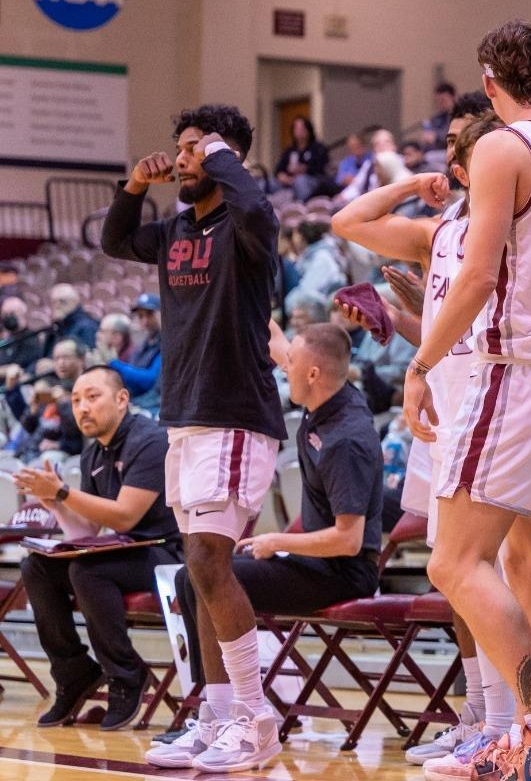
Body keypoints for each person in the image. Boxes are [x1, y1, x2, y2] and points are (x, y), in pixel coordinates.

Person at [403, 19, 531, 781]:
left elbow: (480, 278)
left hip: (513, 367)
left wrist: (421, 359)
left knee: (453, 561)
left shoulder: (498, 148)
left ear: (488, 83)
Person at [330, 99, 522, 772]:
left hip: (492, 400)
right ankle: (482, 713)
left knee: (484, 570)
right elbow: (347, 221)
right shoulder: (440, 230)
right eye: (446, 144)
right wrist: (407, 314)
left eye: (457, 143)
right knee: (457, 575)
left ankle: (510, 721)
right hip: (440, 407)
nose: (447, 154)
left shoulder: (505, 226)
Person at [102, 103, 287, 773]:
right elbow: (116, 243)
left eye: (192, 149)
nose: (180, 159)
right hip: (185, 415)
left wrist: (218, 154)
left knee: (210, 561)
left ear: (222, 158)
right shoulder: (178, 226)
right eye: (178, 147)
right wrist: (132, 186)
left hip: (235, 413)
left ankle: (254, 715)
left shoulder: (244, 226)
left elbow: (262, 214)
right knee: (199, 575)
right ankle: (215, 715)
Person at [168, 324, 383, 728]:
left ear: (313, 374)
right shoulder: (326, 396)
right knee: (194, 575)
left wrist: (276, 540)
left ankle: (232, 711)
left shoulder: (346, 439)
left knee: (204, 578)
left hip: (344, 572)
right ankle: (216, 702)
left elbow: (349, 540)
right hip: (315, 562)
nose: (284, 369)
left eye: (291, 366)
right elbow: (283, 346)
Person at [17, 366, 180, 731]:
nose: (82, 408)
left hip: (170, 555)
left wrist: (62, 492)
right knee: (36, 568)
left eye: (93, 397)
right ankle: (74, 671)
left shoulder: (150, 441)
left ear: (122, 399)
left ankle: (126, 675)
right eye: (75, 400)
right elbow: (88, 529)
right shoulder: (94, 454)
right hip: (127, 552)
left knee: (88, 571)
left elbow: (124, 517)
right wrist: (54, 504)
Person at [111, 294, 163, 417]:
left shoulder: (169, 344)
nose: (145, 321)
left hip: (155, 408)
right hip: (139, 403)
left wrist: (113, 363)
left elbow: (149, 380)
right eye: (140, 316)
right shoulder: (141, 348)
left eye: (150, 315)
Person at [274, 116, 331, 201]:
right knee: (269, 183)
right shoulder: (290, 150)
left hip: (311, 180)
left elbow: (321, 168)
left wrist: (304, 169)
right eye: (296, 128)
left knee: (300, 181)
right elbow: (278, 169)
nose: (299, 131)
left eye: (302, 128)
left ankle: (303, 207)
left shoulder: (318, 148)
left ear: (308, 130)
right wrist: (282, 176)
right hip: (289, 181)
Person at [48, 284, 100, 351]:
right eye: (54, 302)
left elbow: (88, 356)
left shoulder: (87, 327)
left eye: (62, 301)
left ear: (75, 302)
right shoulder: (57, 328)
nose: (57, 305)